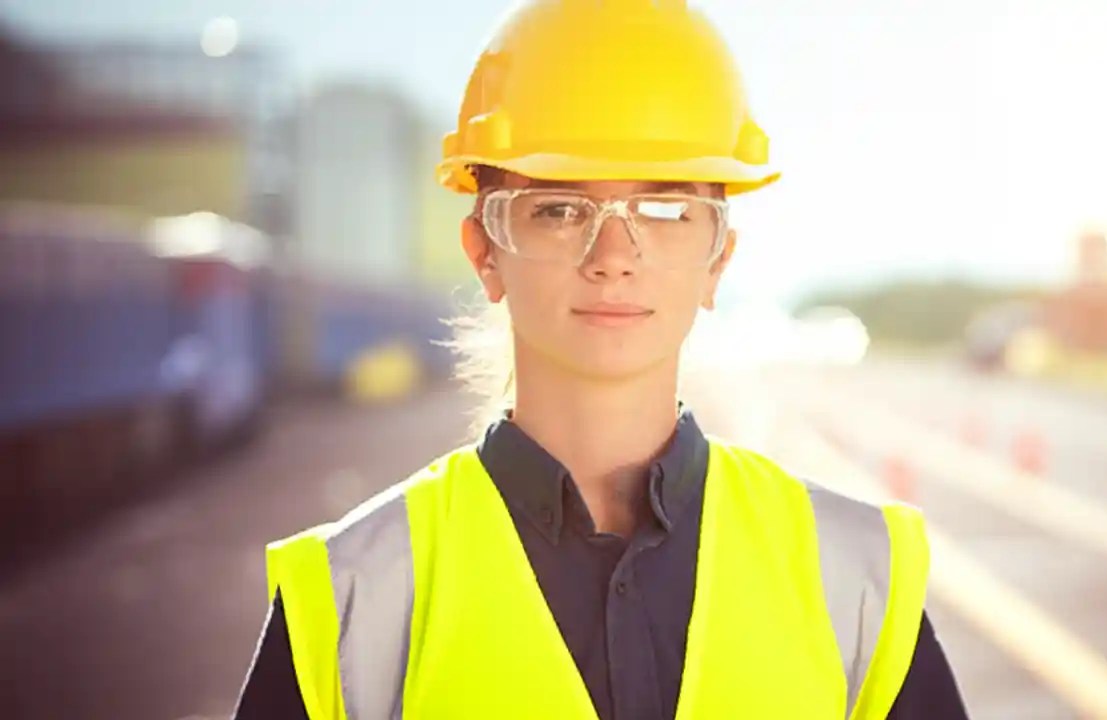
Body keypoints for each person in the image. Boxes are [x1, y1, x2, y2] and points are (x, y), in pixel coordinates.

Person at [234, 1, 968, 718]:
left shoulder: (857, 575)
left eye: (665, 211)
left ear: (718, 260)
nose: (614, 257)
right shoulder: (350, 602)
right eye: (559, 209)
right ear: (485, 253)